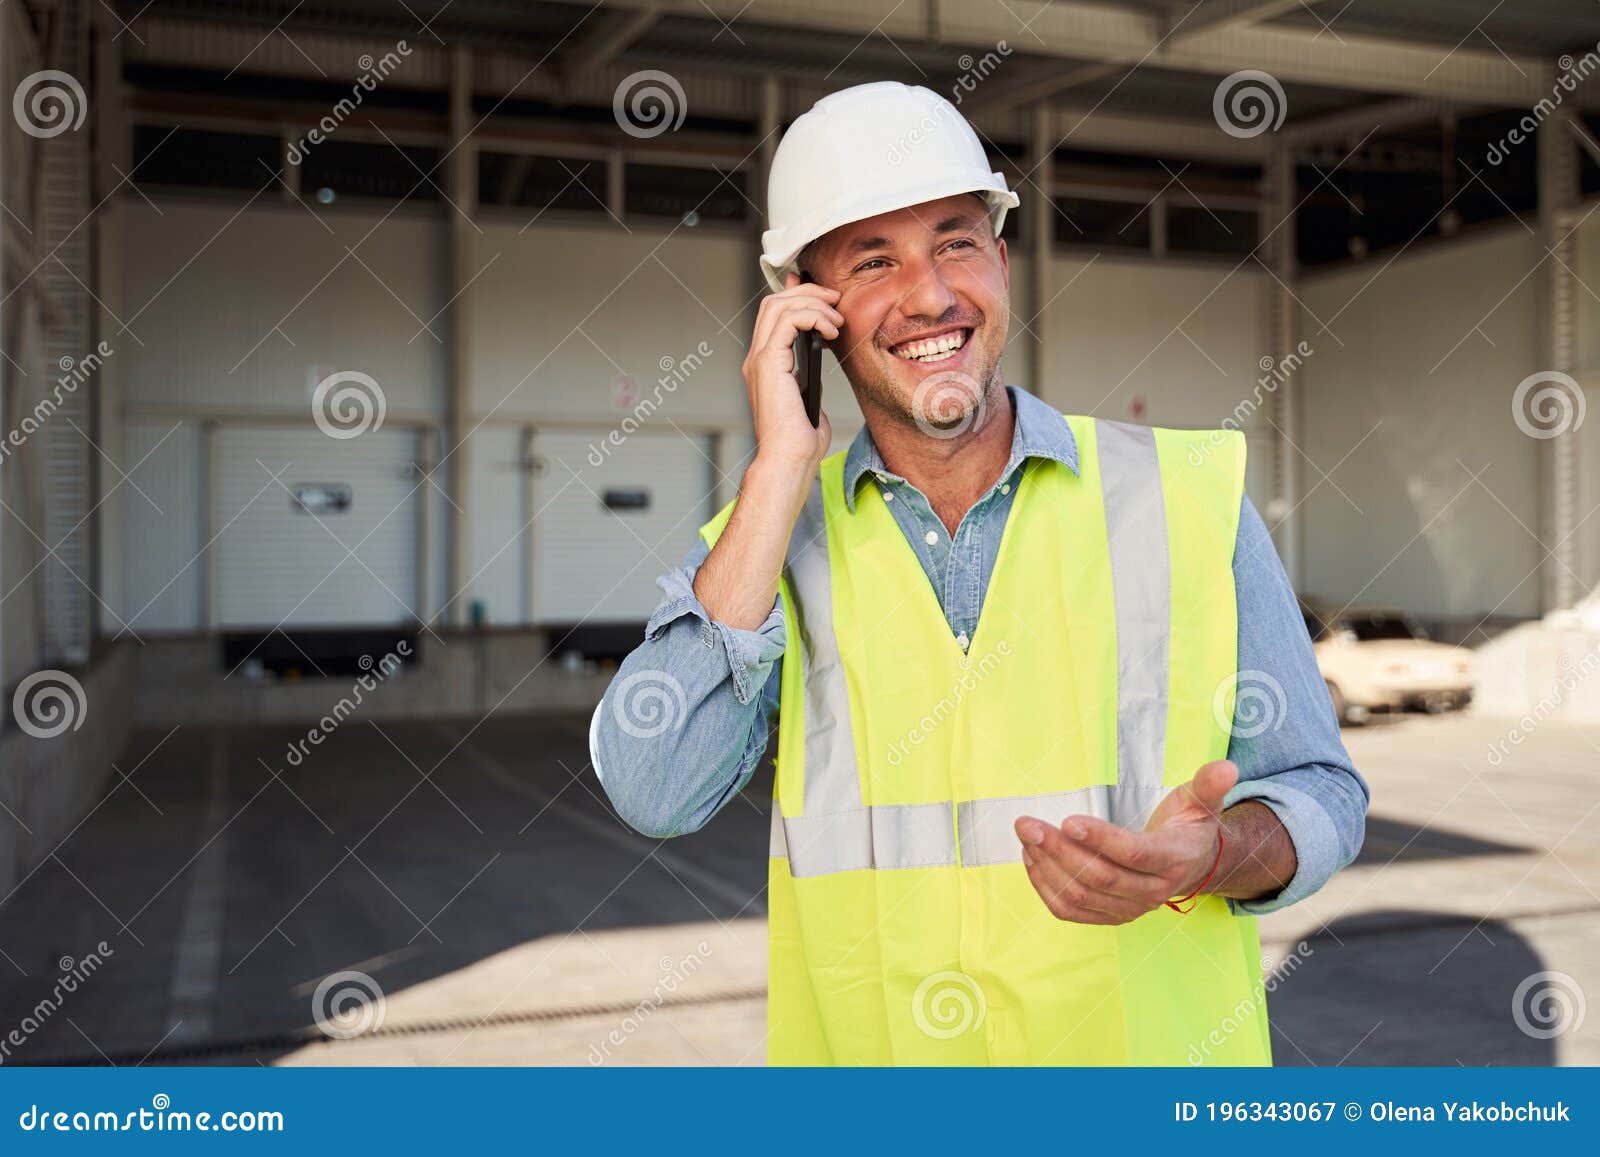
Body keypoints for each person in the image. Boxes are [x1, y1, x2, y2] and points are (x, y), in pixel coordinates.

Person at [590, 81, 1367, 1065]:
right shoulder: (764, 541)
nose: (930, 295)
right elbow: (655, 788)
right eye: (874, 260)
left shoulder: (1184, 496)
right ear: (807, 312)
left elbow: (1319, 791)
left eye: (955, 243)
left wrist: (1215, 855)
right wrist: (779, 466)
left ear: (1001, 260)